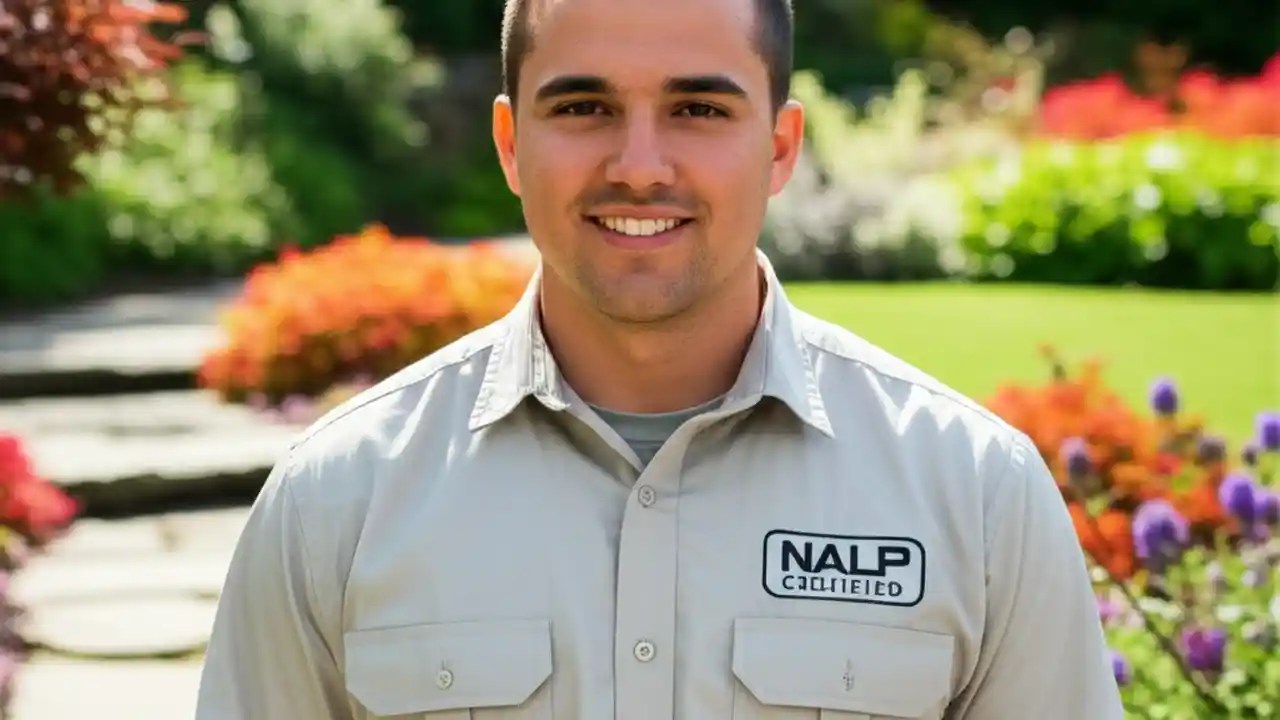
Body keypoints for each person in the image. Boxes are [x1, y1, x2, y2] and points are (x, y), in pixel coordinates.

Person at [195, 0, 1125, 717]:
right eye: (585, 105)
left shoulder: (976, 494)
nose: (640, 164)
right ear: (512, 145)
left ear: (780, 146)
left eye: (696, 107)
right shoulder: (337, 501)